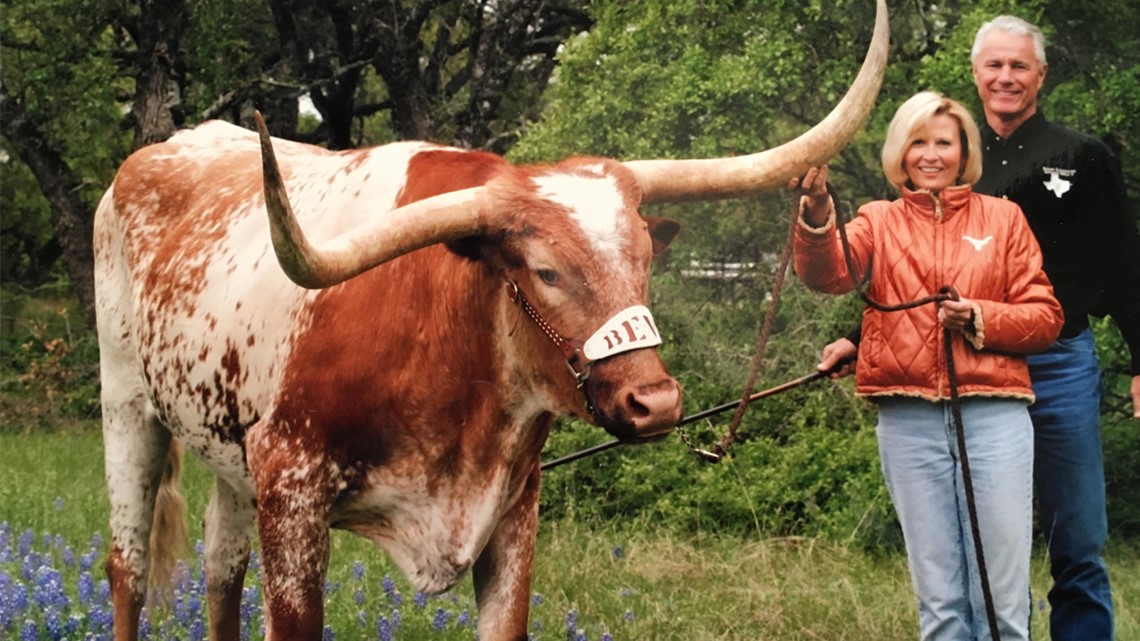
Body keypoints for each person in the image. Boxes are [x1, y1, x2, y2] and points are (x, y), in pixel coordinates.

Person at [818, 16, 1140, 641]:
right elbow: (913, 270)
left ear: (1041, 75)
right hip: (960, 363)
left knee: (1076, 536)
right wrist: (861, 338)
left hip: (1059, 356)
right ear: (975, 73)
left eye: (1019, 65)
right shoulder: (947, 153)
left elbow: (1126, 263)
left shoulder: (1083, 155)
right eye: (994, 65)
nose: (1005, 77)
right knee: (979, 557)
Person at [792, 90, 1063, 641]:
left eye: (944, 142)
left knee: (1002, 603)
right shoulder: (877, 219)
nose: (931, 155)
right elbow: (829, 275)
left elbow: (1046, 318)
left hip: (994, 417)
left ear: (964, 152)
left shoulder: (1005, 218)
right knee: (940, 605)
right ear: (900, 151)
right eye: (918, 142)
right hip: (907, 423)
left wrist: (978, 316)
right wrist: (817, 214)